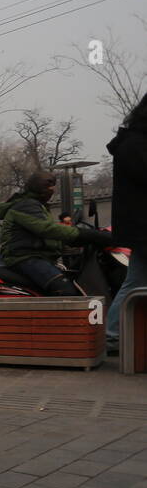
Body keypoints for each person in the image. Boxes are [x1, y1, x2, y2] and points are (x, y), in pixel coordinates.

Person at [0, 171, 113, 296]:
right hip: (25, 258)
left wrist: (77, 241)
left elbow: (47, 235)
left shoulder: (36, 205)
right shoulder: (26, 205)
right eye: (48, 187)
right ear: (37, 188)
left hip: (37, 257)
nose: (51, 191)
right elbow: (48, 229)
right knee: (64, 288)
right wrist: (87, 234)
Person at [106, 93, 147, 355]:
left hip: (140, 226)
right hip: (142, 225)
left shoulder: (133, 141)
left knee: (136, 280)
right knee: (135, 282)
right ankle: (112, 335)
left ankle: (113, 335)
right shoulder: (135, 144)